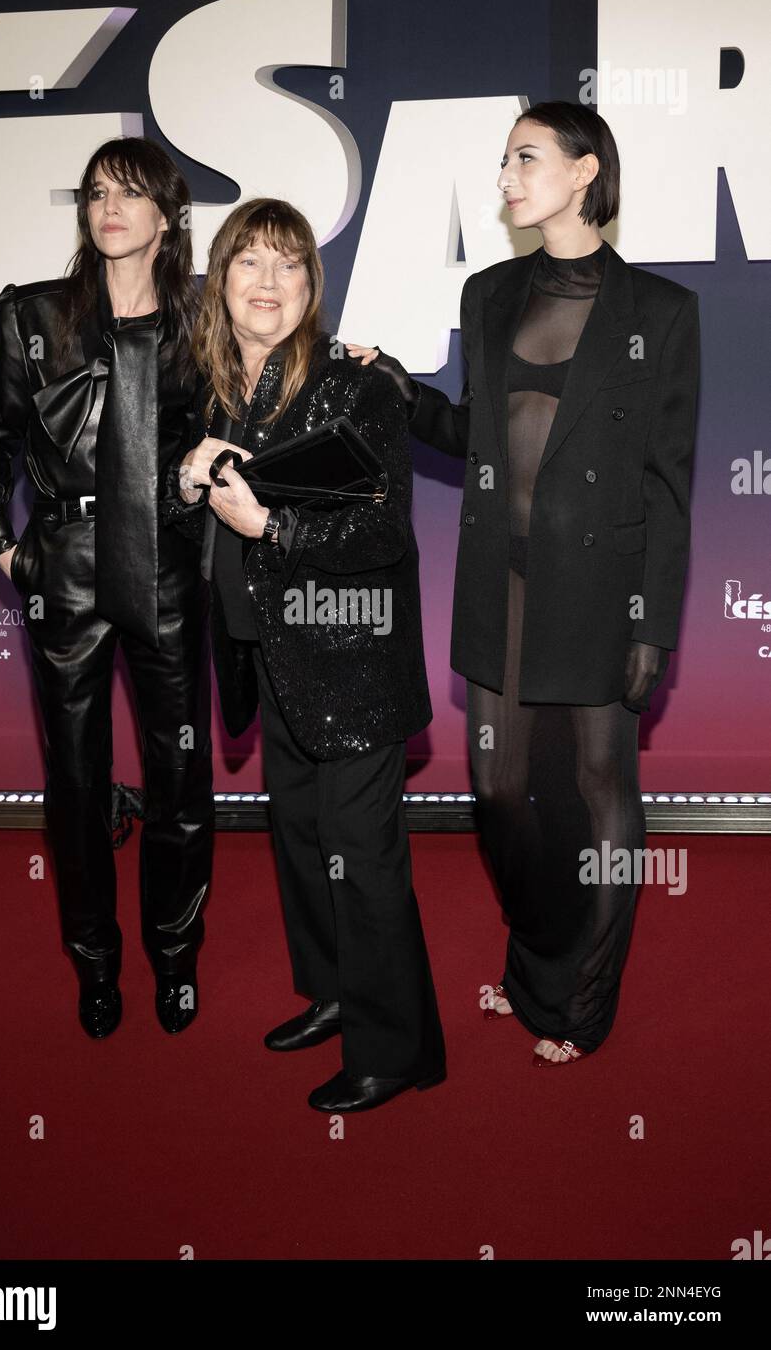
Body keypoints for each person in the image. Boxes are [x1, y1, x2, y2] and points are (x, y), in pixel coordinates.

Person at [357, 102, 700, 1066]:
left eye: (525, 157)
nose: (505, 175)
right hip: (499, 584)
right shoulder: (490, 293)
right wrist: (399, 389)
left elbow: (668, 484)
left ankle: (579, 1002)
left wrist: (654, 624)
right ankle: (537, 957)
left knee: (596, 793)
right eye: (504, 159)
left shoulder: (663, 313)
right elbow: (478, 437)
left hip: (604, 592)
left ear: (585, 173)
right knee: (502, 794)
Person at [163, 197, 446, 1111]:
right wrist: (183, 480)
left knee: (362, 855)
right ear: (221, 279)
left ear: (311, 286)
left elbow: (383, 530)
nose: (269, 282)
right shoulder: (208, 388)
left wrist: (271, 524)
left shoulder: (353, 383)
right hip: (267, 654)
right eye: (251, 262)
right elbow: (176, 525)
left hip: (352, 655)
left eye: (289, 265)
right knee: (302, 842)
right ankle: (333, 994)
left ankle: (396, 1048)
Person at [0, 137, 214, 1040]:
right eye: (98, 191)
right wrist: (4, 547)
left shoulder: (200, 321)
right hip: (63, 564)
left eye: (131, 193)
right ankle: (95, 964)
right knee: (75, 781)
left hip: (167, 563)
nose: (110, 207)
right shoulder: (33, 315)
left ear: (167, 214)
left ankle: (174, 959)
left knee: (179, 777)